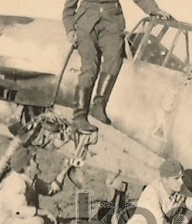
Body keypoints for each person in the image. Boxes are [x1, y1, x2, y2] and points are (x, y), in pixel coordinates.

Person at [63, 0, 172, 134]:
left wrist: (153, 9)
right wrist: (70, 29)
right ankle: (79, 116)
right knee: (90, 67)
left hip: (111, 22)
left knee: (114, 58)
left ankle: (99, 105)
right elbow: (69, 7)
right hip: (86, 23)